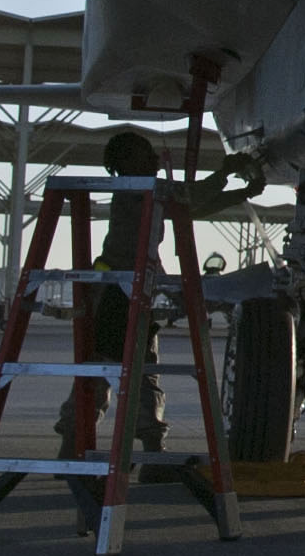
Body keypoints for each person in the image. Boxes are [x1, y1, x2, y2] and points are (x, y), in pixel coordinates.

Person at [55, 130, 258, 463]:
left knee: (120, 371)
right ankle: (145, 451)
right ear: (125, 163)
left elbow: (187, 206)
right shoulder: (137, 190)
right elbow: (190, 197)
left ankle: (85, 450)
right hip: (119, 295)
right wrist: (225, 175)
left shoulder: (145, 193)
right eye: (144, 153)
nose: (153, 158)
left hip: (128, 292)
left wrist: (241, 192)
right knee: (125, 372)